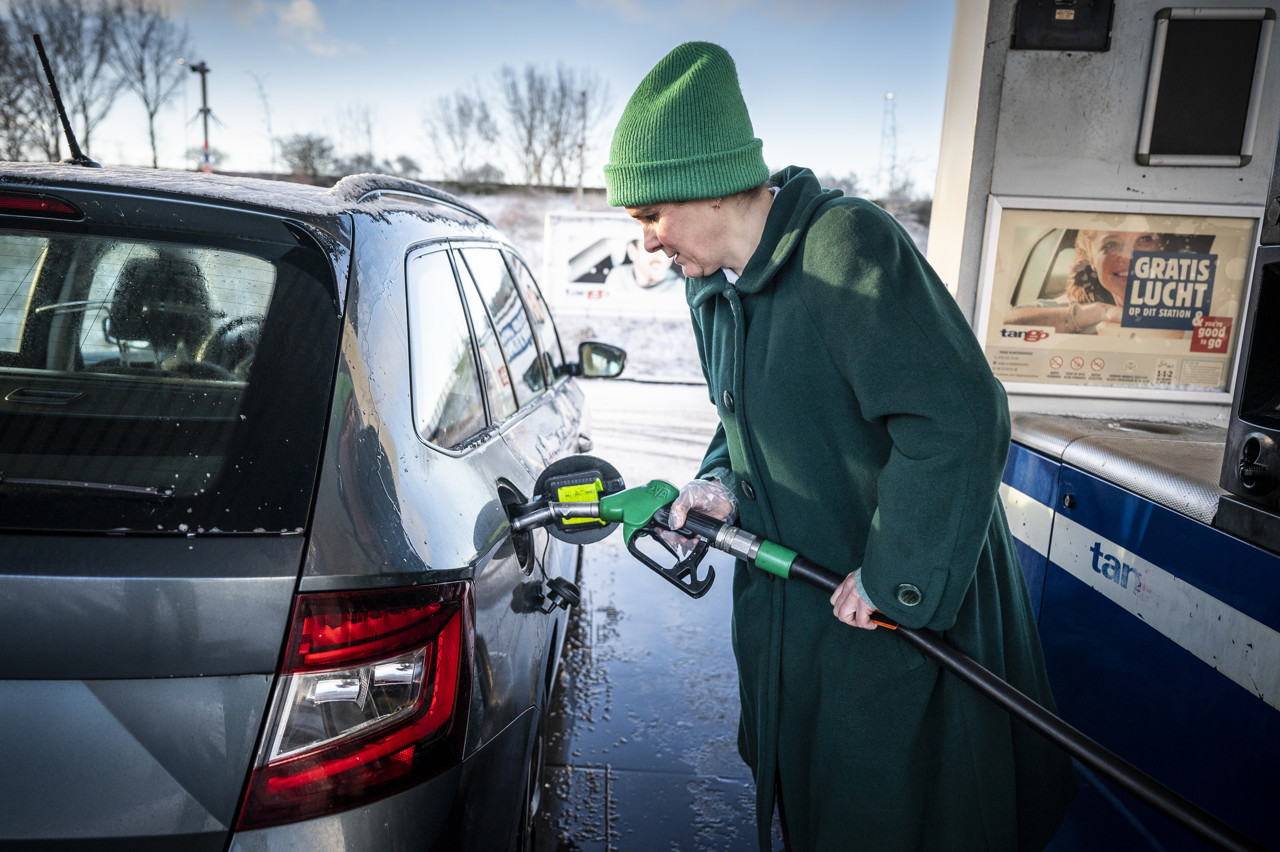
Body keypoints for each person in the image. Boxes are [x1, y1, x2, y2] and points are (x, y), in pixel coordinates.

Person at [604, 41, 1077, 852]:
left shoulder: (843, 247)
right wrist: (719, 482)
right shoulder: (715, 289)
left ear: (705, 185)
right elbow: (742, 418)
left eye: (651, 215)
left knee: (904, 810)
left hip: (895, 623)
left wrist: (896, 579)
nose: (646, 241)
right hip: (799, 616)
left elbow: (958, 417)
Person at [1004, 229, 1163, 334]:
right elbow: (1003, 324)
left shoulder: (1185, 310)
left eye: (1144, 239)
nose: (1129, 256)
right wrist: (1099, 313)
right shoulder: (1073, 307)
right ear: (1092, 259)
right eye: (1111, 244)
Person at [604, 236, 682, 292]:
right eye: (653, 248)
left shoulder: (679, 290)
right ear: (632, 252)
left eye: (668, 248)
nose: (663, 256)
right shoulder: (618, 279)